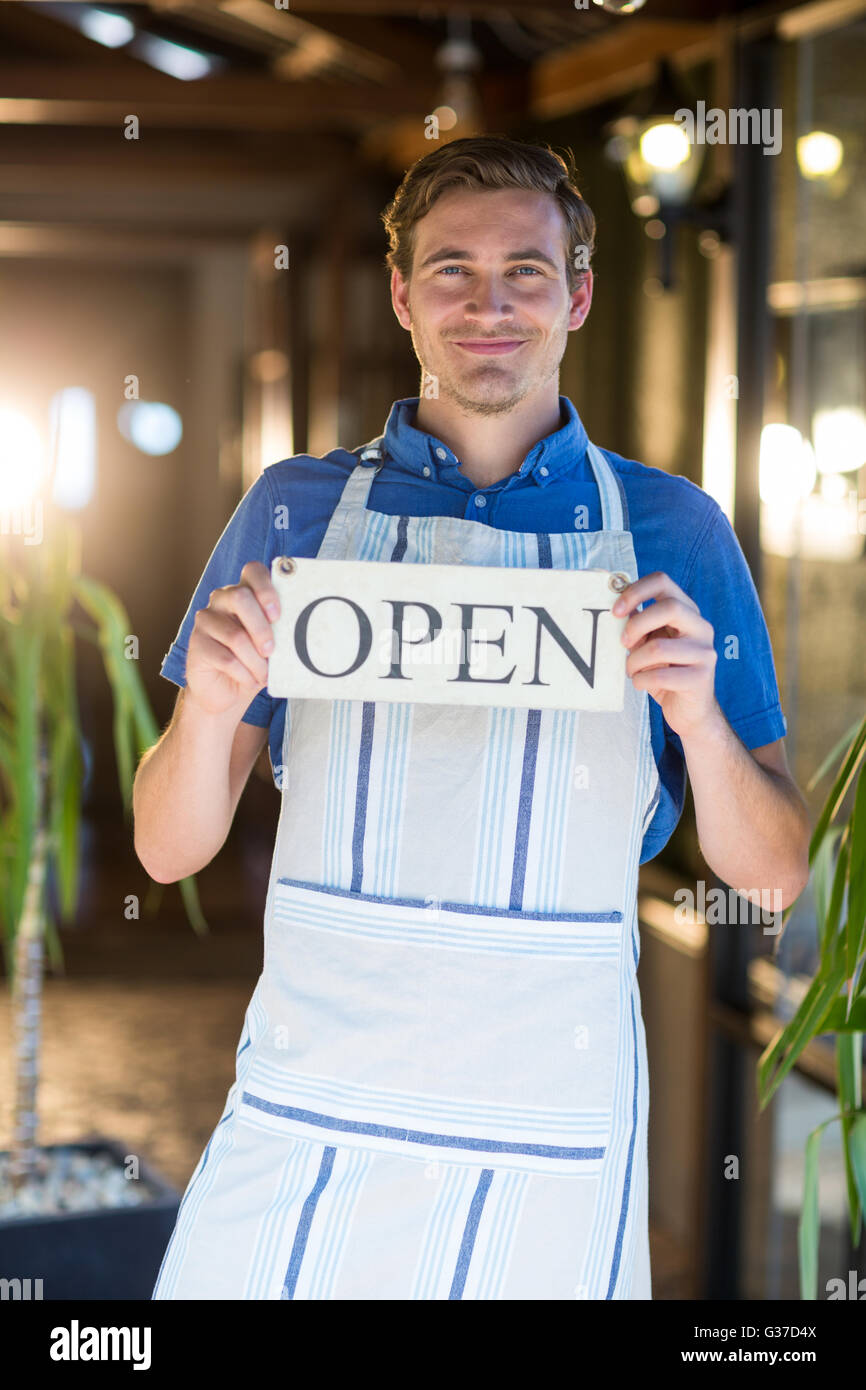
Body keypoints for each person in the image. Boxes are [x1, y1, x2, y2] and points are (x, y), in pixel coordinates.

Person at [134, 134, 810, 1300]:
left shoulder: (676, 533)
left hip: (548, 1131)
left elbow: (771, 877)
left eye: (525, 273)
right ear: (401, 295)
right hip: (310, 1110)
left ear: (579, 294)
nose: (487, 305)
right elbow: (166, 846)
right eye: (450, 270)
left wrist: (699, 721)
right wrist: (208, 707)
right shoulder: (293, 513)